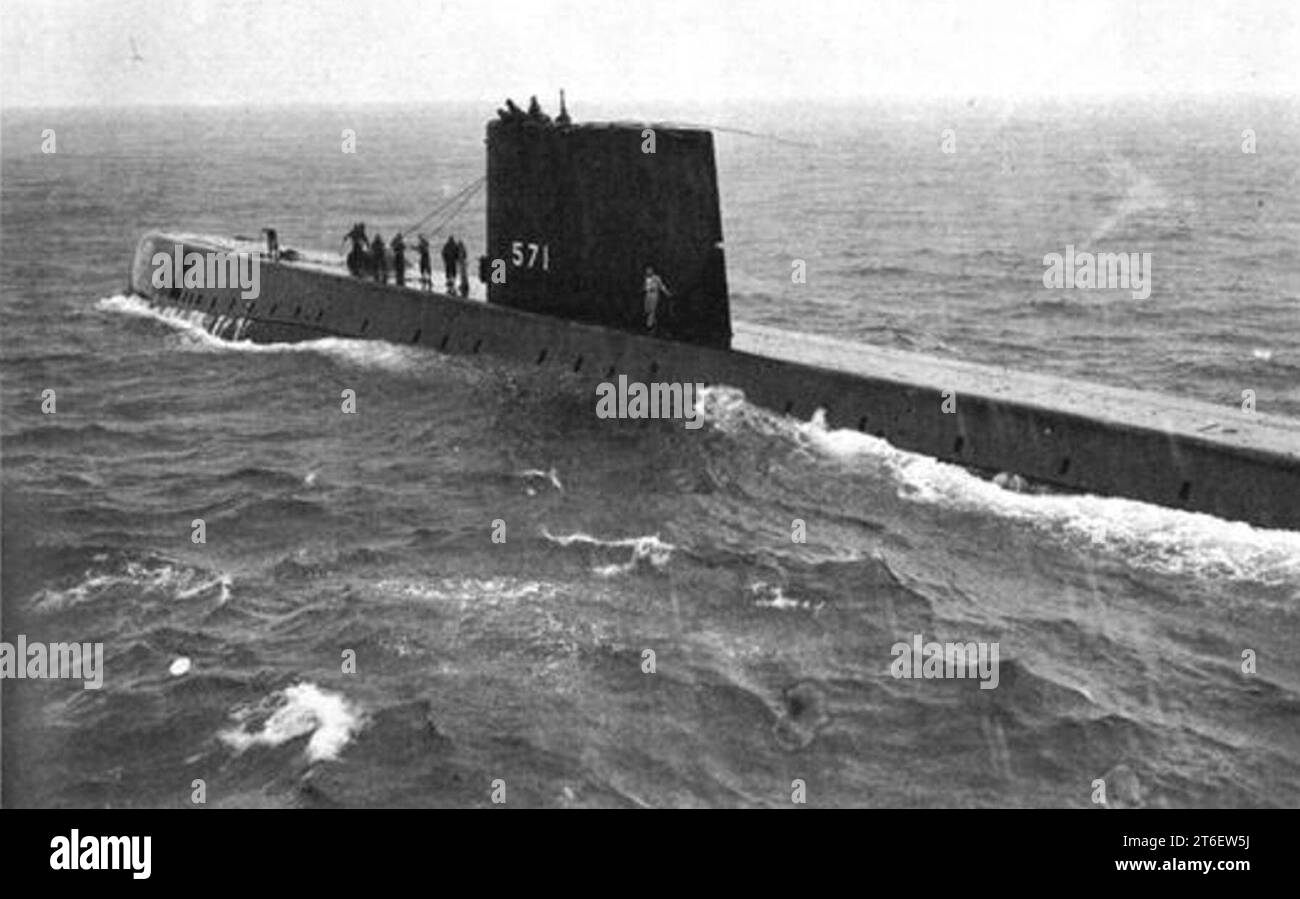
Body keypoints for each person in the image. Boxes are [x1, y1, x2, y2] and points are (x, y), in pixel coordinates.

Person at [643, 265, 672, 330]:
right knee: (647, 309)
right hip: (648, 294)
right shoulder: (647, 279)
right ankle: (653, 322)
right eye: (647, 270)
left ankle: (649, 326)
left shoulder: (656, 278)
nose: (648, 272)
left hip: (654, 294)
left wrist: (667, 293)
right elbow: (645, 287)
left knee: (652, 310)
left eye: (649, 270)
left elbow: (661, 286)